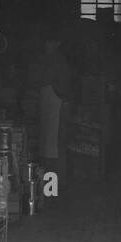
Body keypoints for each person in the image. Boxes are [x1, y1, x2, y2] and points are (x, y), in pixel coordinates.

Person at [29, 31, 74, 204]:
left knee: (54, 149)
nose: (46, 46)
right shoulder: (48, 60)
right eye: (45, 43)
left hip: (56, 107)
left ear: (57, 43)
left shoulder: (59, 62)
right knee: (48, 148)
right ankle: (50, 188)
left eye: (50, 42)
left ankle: (53, 188)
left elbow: (61, 86)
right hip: (49, 108)